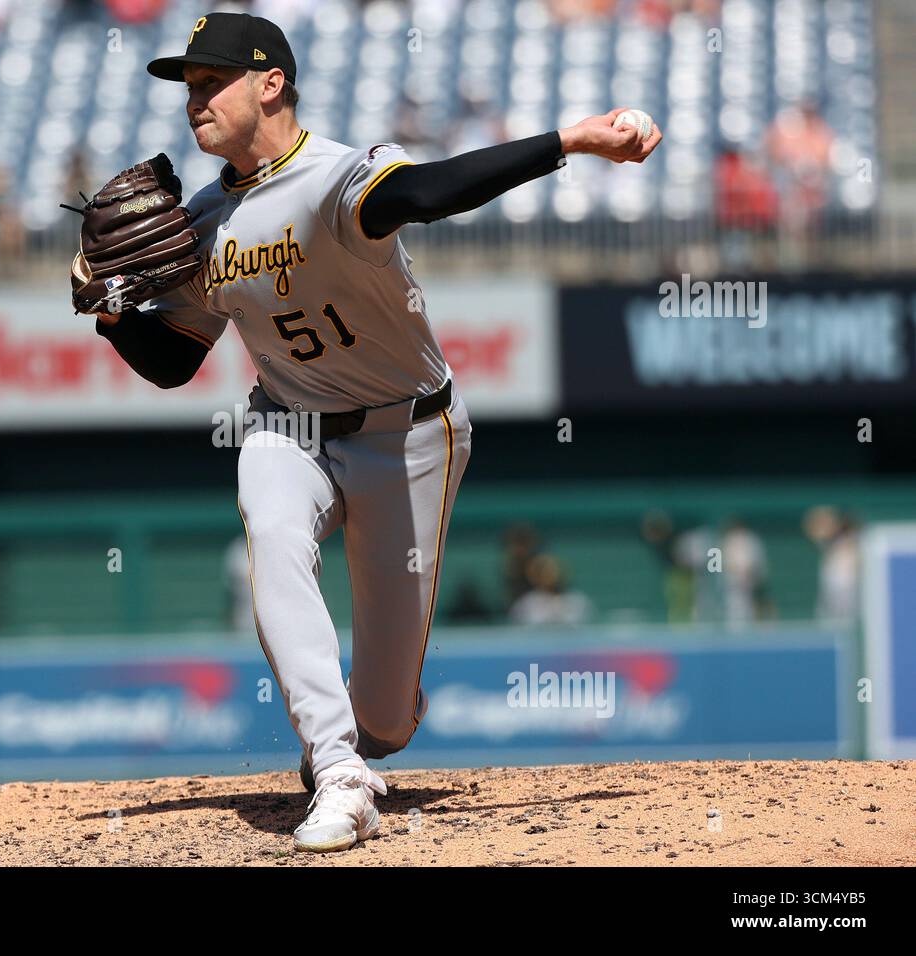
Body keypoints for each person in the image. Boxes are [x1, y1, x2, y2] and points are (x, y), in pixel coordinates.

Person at [82, 11, 661, 853]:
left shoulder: (334, 177)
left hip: (409, 436)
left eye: (210, 82)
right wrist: (110, 311)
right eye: (187, 88)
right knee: (273, 538)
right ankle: (341, 775)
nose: (193, 101)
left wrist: (570, 140)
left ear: (269, 82)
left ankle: (370, 735)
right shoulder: (203, 220)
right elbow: (175, 364)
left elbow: (428, 193)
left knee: (386, 716)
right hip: (288, 425)